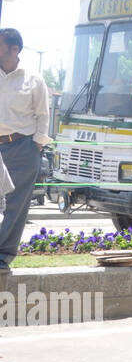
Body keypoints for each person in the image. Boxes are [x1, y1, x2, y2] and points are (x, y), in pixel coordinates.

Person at [0, 28, 52, 274]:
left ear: (14, 49)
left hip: (22, 147)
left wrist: (37, 144)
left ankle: (2, 257)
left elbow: (43, 115)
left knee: (15, 206)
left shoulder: (34, 79)